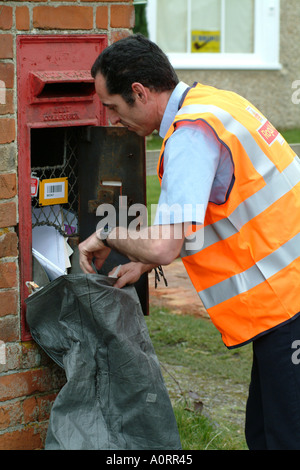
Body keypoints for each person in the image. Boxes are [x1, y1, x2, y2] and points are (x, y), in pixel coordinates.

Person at [78, 34, 300, 450]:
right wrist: (141, 264)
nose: (111, 119)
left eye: (112, 106)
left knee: (284, 437)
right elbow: (217, 213)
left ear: (140, 93)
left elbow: (165, 245)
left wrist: (109, 234)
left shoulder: (189, 139)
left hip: (288, 306)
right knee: (265, 432)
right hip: (287, 300)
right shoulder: (217, 105)